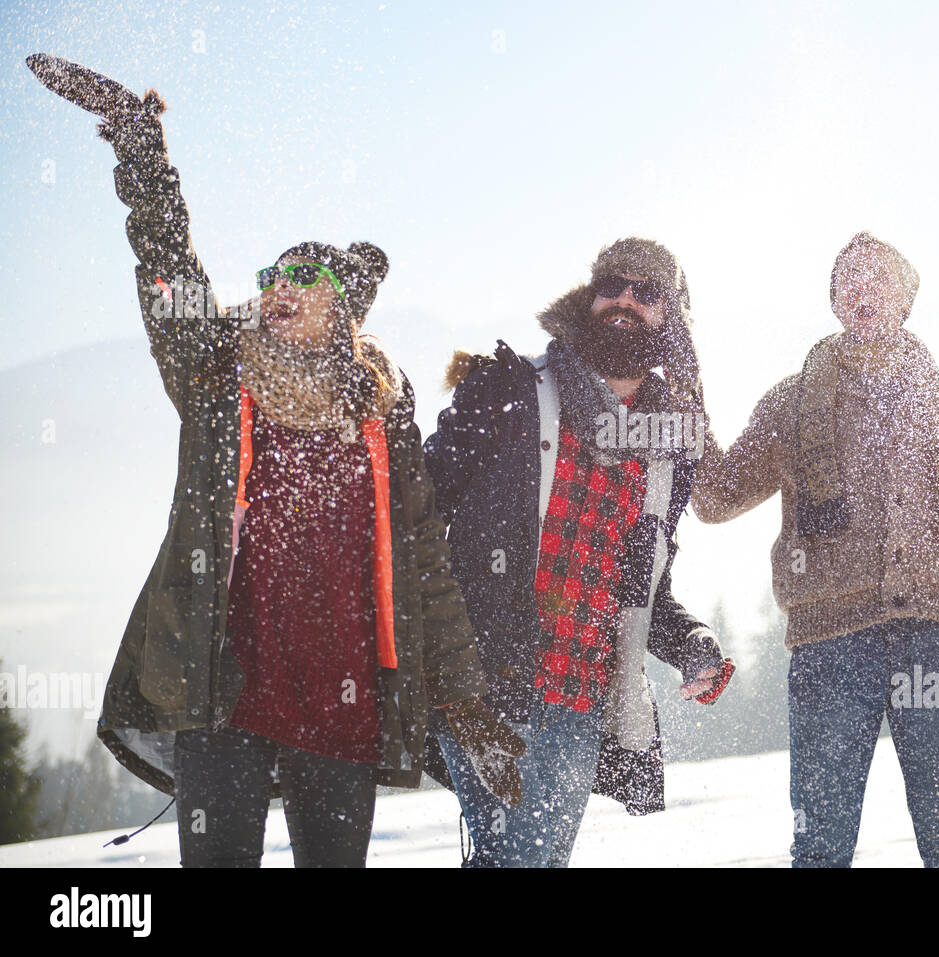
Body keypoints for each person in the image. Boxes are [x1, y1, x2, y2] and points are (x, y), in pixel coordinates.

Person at [30, 57, 523, 867]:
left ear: (343, 308)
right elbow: (168, 272)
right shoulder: (217, 372)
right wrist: (140, 148)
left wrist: (462, 695)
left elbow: (424, 559)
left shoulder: (380, 410)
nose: (277, 285)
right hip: (223, 699)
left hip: (344, 706)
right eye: (270, 275)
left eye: (303, 273)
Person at [692, 231, 939, 867]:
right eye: (848, 279)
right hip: (830, 645)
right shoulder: (793, 404)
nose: (863, 288)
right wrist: (681, 399)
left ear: (906, 298)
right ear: (834, 302)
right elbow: (715, 498)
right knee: (821, 847)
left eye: (878, 277)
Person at [424, 237, 734, 867]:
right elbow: (418, 512)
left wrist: (692, 644)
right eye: (612, 285)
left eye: (646, 293)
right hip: (480, 681)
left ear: (670, 318)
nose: (624, 299)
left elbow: (646, 588)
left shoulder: (666, 445)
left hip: (578, 696)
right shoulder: (510, 388)